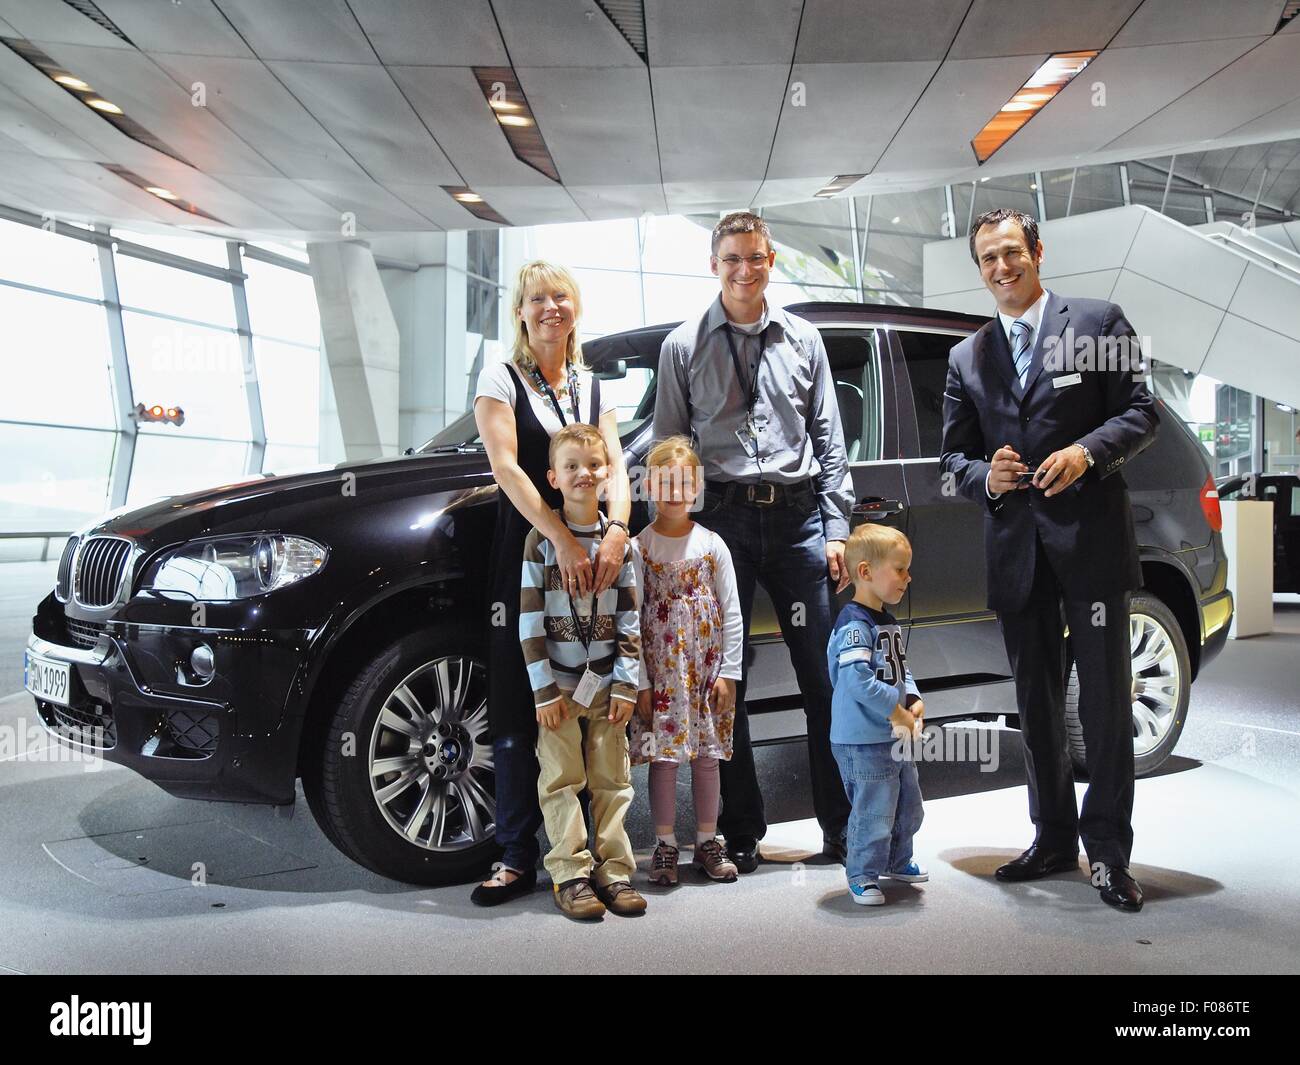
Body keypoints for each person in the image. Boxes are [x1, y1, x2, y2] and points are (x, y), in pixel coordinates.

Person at [940, 208, 1159, 912]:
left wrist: (1087, 452)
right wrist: (985, 477)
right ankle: (1053, 838)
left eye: (1012, 253)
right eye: (988, 260)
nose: (1001, 268)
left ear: (1038, 251)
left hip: (1089, 545)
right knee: (1034, 707)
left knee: (1100, 706)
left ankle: (1111, 855)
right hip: (1016, 551)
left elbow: (1141, 410)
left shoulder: (1097, 325)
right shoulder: (967, 356)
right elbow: (953, 461)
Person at [653, 211, 854, 872]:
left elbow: (830, 442)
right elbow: (671, 451)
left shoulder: (805, 339)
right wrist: (680, 539)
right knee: (721, 680)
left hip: (799, 523)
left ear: (771, 260)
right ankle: (738, 830)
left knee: (825, 679)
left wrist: (835, 527)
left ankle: (843, 826)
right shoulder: (684, 346)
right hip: (724, 522)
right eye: (732, 258)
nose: (744, 269)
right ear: (715, 265)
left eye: (756, 257)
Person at [471, 261, 632, 907]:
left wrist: (617, 528)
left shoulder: (592, 386)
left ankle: (601, 862)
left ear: (576, 308)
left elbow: (616, 464)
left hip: (598, 549)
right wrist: (559, 537)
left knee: (594, 694)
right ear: (520, 311)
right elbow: (506, 466)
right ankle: (516, 856)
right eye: (537, 298)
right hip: (531, 547)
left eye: (560, 296)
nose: (550, 307)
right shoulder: (500, 376)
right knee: (523, 700)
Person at [520, 423, 645, 919]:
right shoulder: (541, 542)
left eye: (593, 466)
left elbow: (632, 619)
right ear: (553, 477)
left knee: (613, 781)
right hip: (558, 690)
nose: (584, 474)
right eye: (571, 466)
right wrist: (543, 692)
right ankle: (570, 874)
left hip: (609, 686)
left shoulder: (622, 546)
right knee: (560, 780)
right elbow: (529, 623)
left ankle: (614, 871)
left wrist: (627, 683)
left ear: (608, 473)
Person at [631, 436, 744, 886]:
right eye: (665, 482)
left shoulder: (713, 545)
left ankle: (707, 841)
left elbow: (732, 611)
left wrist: (730, 673)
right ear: (649, 485)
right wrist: (640, 681)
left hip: (705, 675)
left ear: (696, 486)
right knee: (663, 759)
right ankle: (664, 845)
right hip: (662, 677)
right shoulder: (640, 548)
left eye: (684, 482)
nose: (675, 491)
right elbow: (632, 619)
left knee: (708, 758)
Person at [827, 523, 927, 906]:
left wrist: (913, 697)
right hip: (862, 740)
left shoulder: (885, 620)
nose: (908, 577)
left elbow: (900, 668)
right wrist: (897, 710)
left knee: (906, 803)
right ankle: (862, 873)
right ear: (866, 572)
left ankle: (898, 860)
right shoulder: (854, 624)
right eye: (900, 569)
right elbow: (856, 682)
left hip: (891, 736)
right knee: (873, 810)